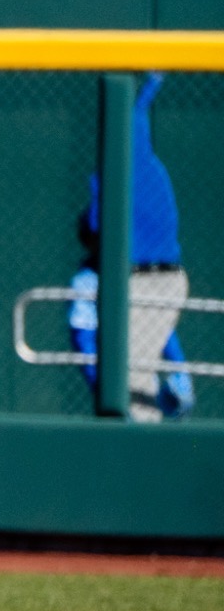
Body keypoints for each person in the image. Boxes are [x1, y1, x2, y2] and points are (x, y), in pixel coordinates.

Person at [69, 73, 196, 421]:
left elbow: (133, 117)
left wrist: (152, 81)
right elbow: (82, 335)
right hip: (153, 279)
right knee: (133, 379)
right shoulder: (92, 274)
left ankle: (144, 451)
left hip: (156, 279)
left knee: (134, 380)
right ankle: (145, 444)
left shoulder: (129, 166)